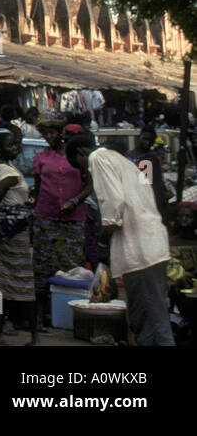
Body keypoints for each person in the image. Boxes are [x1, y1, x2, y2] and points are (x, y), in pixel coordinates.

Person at [66, 132, 174, 346]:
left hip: (140, 249)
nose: (84, 173)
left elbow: (114, 206)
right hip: (149, 245)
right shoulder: (122, 160)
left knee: (151, 317)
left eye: (80, 166)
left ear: (81, 153)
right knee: (146, 315)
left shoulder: (98, 158)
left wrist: (102, 242)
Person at [30, 119, 91, 328]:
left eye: (52, 133)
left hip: (73, 220)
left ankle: (70, 313)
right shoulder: (41, 158)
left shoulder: (75, 158)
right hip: (46, 218)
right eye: (45, 134)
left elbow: (90, 183)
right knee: (42, 266)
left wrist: (76, 200)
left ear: (61, 133)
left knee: (71, 266)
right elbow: (37, 188)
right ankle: (40, 314)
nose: (49, 138)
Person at [0, 128, 38, 345]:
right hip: (15, 236)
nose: (16, 148)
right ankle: (34, 335)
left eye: (16, 144)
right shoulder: (9, 174)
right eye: (10, 145)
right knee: (24, 285)